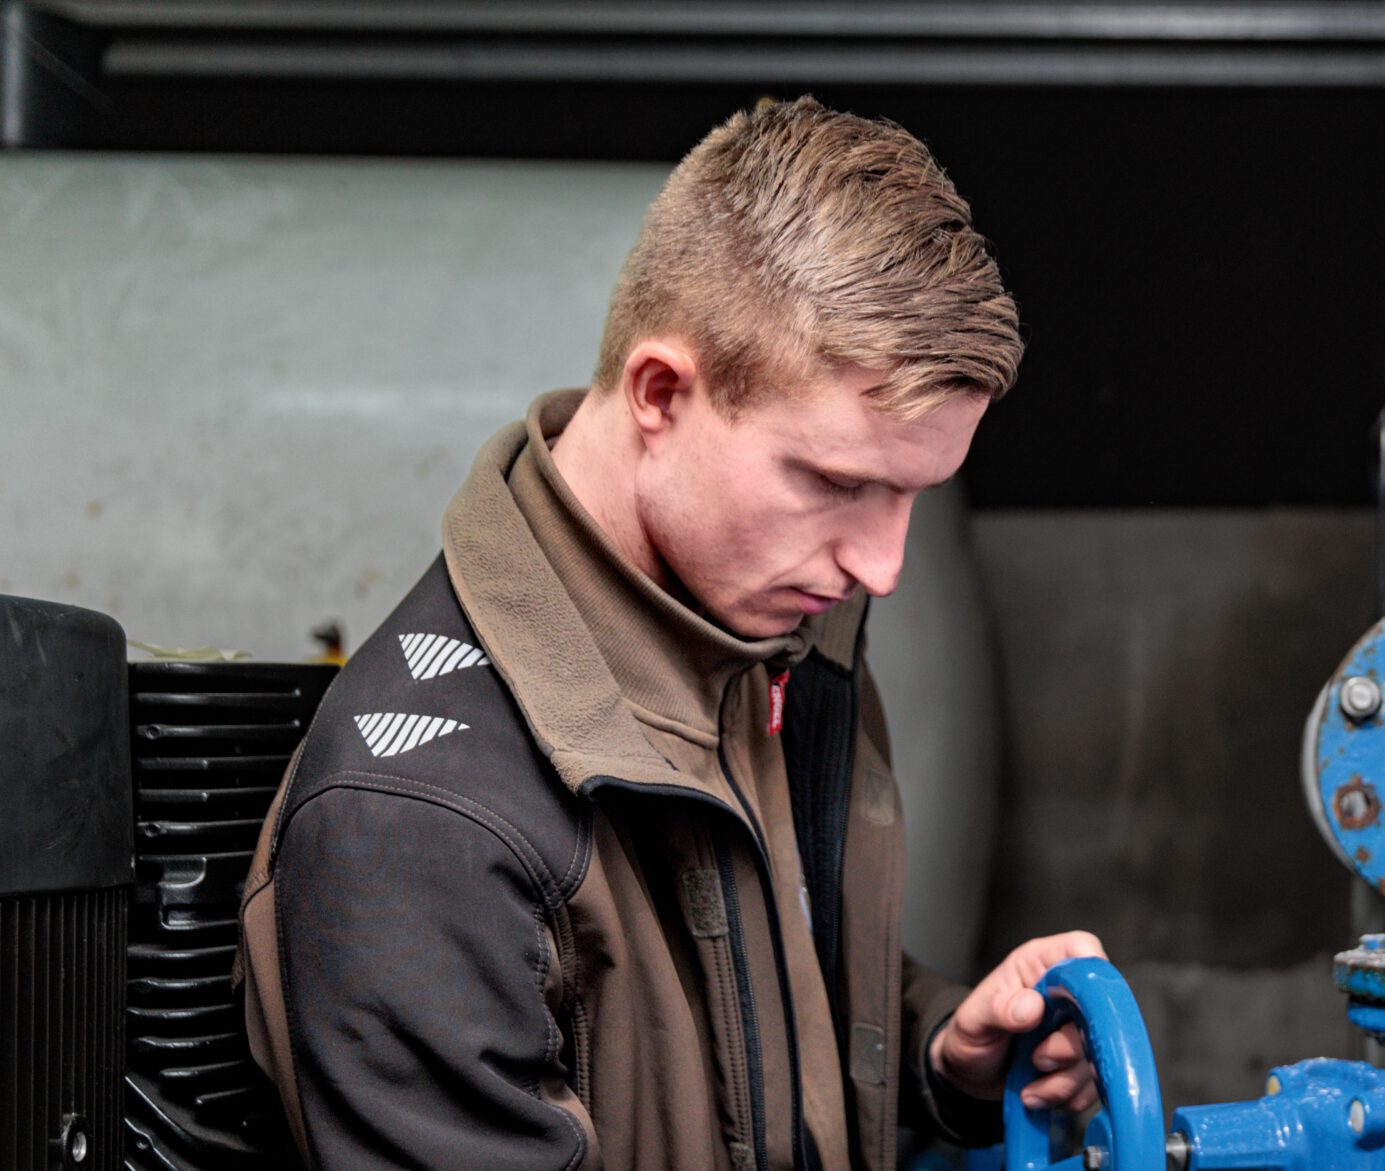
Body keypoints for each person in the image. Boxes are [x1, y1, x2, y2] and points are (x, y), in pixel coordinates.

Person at [238, 96, 1102, 1171]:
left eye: (914, 495)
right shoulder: (423, 827)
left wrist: (939, 1051)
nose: (880, 565)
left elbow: (752, 1009)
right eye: (838, 482)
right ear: (659, 391)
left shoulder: (757, 642)